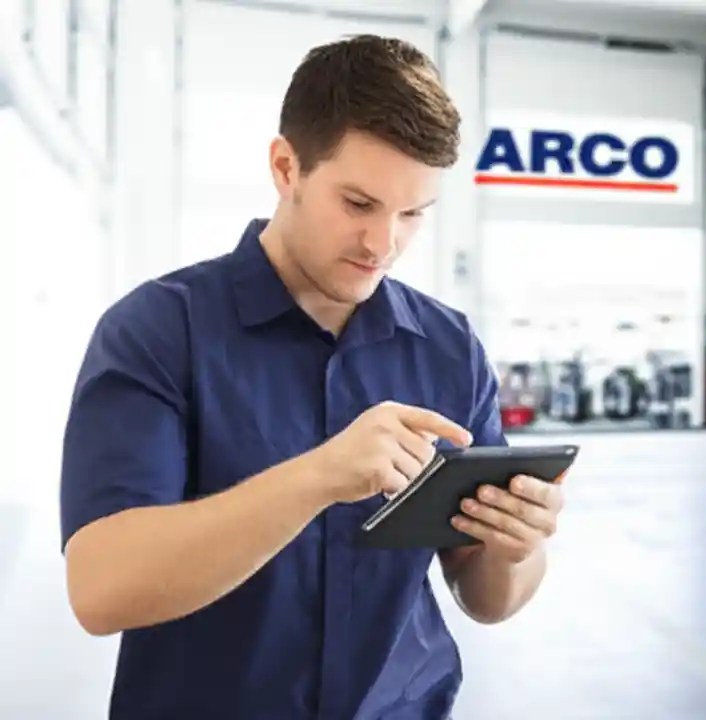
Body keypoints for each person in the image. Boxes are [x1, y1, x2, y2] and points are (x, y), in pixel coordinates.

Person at [58, 35, 567, 719]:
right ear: (285, 167)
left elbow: (486, 599)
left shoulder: (449, 349)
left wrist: (516, 548)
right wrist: (319, 477)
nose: (383, 243)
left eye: (412, 214)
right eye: (358, 203)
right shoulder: (158, 331)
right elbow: (101, 590)